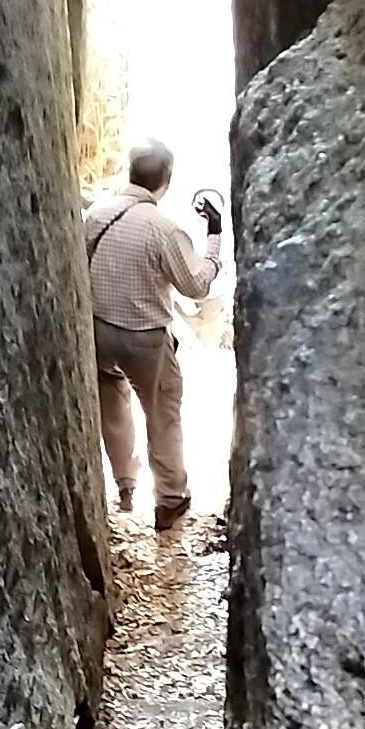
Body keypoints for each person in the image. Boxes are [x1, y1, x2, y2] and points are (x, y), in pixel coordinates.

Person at [84, 139, 222, 532]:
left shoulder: (96, 213)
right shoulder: (164, 229)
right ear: (166, 180)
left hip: (99, 328)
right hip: (145, 339)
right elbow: (196, 286)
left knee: (112, 401)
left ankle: (125, 486)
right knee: (161, 415)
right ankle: (169, 499)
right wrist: (213, 240)